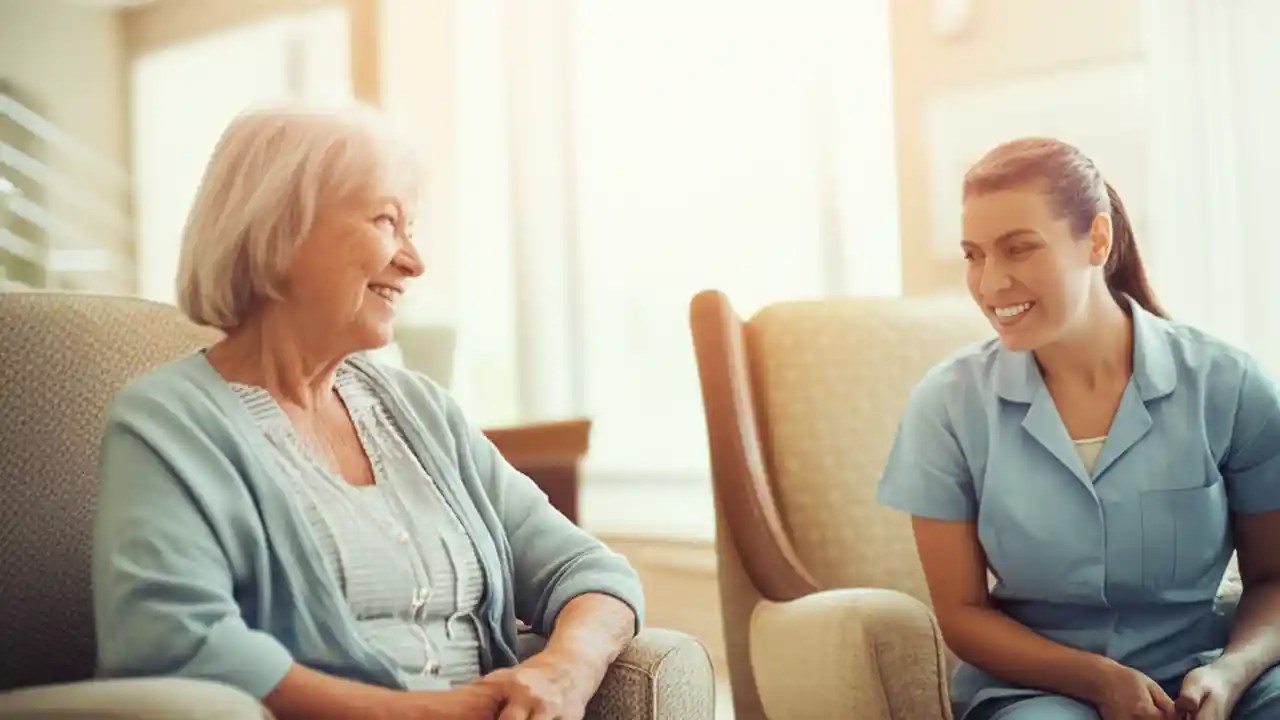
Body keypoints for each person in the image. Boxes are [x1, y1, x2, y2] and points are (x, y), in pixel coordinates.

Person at [91, 104, 643, 720]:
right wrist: (430, 714)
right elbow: (172, 638)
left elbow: (588, 569)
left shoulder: (422, 411)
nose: (413, 261)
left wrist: (564, 670)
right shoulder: (169, 422)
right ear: (281, 229)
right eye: (387, 222)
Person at [877, 138, 1280, 720]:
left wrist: (1229, 672)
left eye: (1019, 249)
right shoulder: (947, 405)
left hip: (1213, 670)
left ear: (1096, 239)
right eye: (973, 255)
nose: (990, 285)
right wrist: (1098, 680)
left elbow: (1273, 579)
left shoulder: (1230, 385)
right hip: (1042, 690)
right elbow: (962, 613)